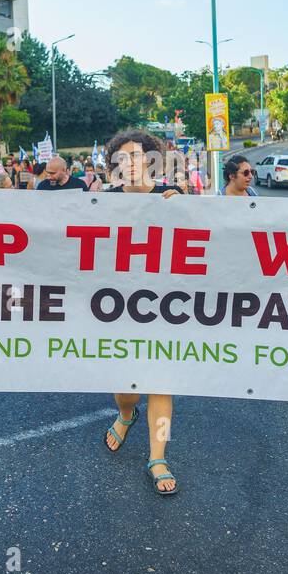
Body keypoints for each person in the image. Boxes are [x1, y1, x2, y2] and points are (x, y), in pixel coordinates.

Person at [100, 129, 182, 495]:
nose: (130, 163)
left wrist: (184, 206)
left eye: (138, 156)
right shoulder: (101, 201)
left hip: (165, 306)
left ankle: (158, 456)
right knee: (127, 387)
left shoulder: (174, 199)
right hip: (117, 307)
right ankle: (126, 415)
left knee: (162, 382)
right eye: (123, 158)